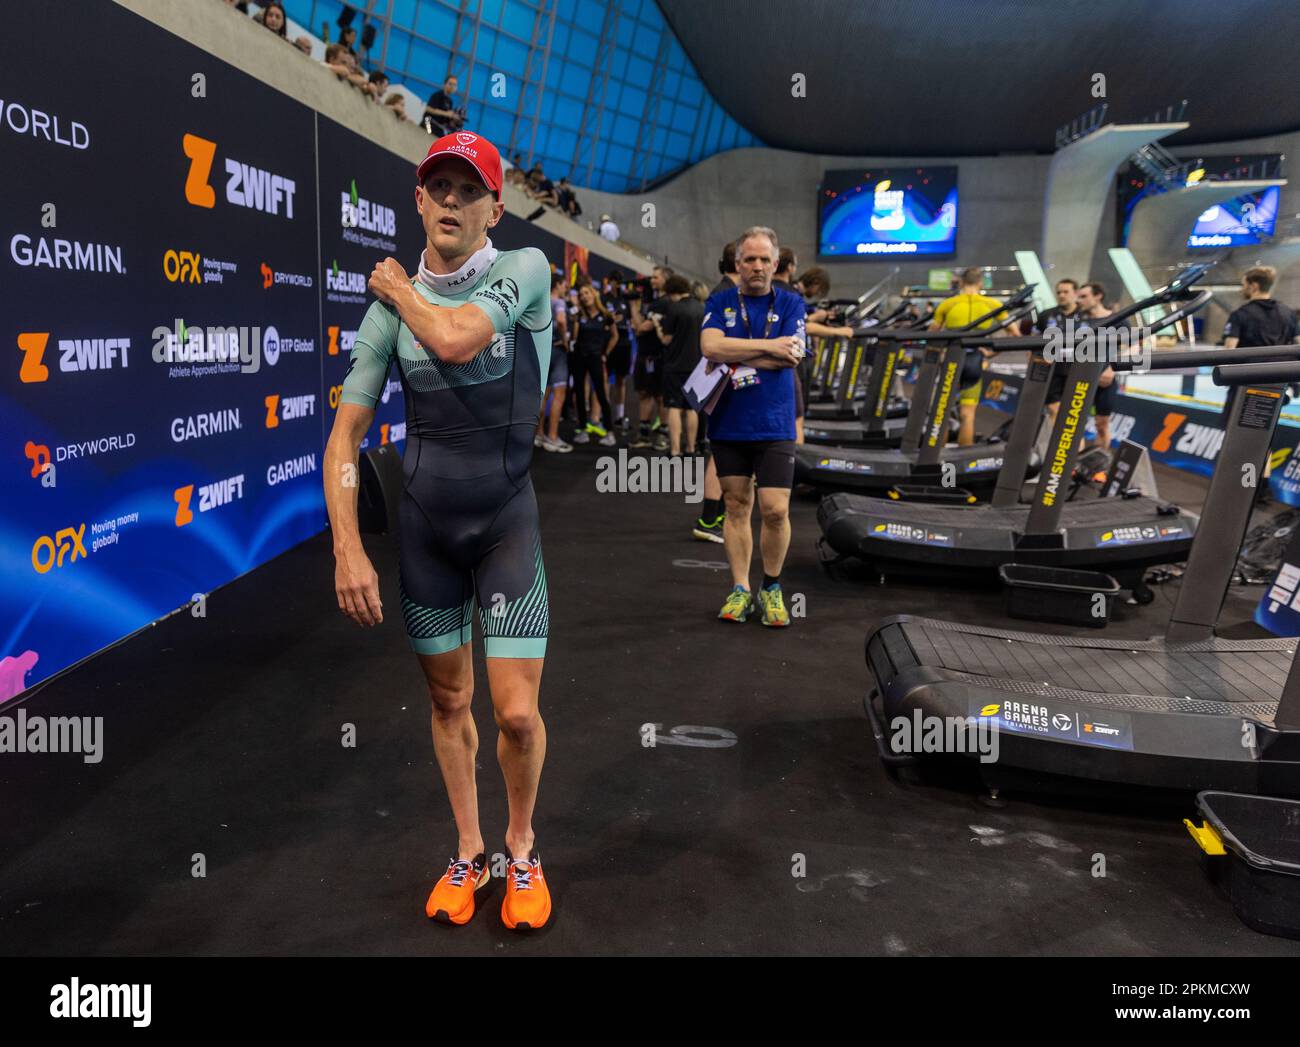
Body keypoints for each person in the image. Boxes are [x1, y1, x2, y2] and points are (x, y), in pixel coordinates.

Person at [323, 130, 554, 931]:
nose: (452, 201)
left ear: (494, 207)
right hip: (426, 531)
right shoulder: (390, 309)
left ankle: (523, 849)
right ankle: (471, 849)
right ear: (419, 199)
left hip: (504, 524)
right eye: (438, 188)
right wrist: (349, 545)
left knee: (516, 714)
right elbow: (343, 438)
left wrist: (399, 288)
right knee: (448, 700)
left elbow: (456, 336)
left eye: (469, 190)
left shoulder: (523, 269)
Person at [700, 227, 805, 627]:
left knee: (776, 510)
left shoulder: (793, 303)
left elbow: (791, 357)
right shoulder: (721, 299)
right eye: (749, 259)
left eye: (764, 260)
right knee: (736, 505)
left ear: (775, 264)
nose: (757, 266)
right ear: (738, 264)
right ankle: (741, 588)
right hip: (729, 421)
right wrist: (769, 346)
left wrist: (736, 352)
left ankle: (772, 587)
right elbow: (710, 348)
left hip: (775, 422)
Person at [928, 266, 1007, 446]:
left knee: (942, 412)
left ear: (961, 282)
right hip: (975, 359)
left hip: (952, 360)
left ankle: (933, 458)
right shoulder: (993, 305)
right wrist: (992, 353)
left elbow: (932, 336)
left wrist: (939, 354)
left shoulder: (947, 304)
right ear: (980, 283)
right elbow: (1015, 334)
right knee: (967, 415)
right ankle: (962, 462)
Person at [655, 274, 706, 455]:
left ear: (672, 292)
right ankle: (691, 448)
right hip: (696, 365)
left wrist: (657, 327)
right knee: (692, 407)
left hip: (675, 365)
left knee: (674, 407)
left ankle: (675, 450)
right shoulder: (701, 308)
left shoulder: (674, 309)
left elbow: (666, 340)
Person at [569, 284, 619, 447]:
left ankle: (609, 432)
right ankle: (583, 429)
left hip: (596, 358)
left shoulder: (606, 315)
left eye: (587, 293)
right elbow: (575, 337)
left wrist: (606, 353)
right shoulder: (579, 315)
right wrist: (575, 316)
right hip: (579, 357)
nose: (584, 296)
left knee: (601, 395)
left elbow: (614, 336)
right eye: (582, 294)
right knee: (580, 394)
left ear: (593, 294)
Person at [1074, 282, 1122, 450]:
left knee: (1101, 425)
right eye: (1078, 297)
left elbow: (1133, 346)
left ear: (1098, 296)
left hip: (1105, 381)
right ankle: (1071, 469)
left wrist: (1112, 368)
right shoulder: (1077, 322)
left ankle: (1097, 468)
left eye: (1084, 296)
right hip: (1080, 379)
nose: (1079, 300)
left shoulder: (1117, 319)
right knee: (1073, 427)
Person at [631, 266, 672, 450]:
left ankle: (662, 434)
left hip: (657, 356)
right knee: (645, 394)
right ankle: (646, 434)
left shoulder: (663, 303)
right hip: (647, 354)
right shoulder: (655, 302)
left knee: (659, 395)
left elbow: (640, 327)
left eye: (656, 277)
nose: (652, 280)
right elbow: (638, 325)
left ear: (665, 280)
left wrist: (633, 308)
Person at [1036, 278, 1081, 430]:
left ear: (1076, 293)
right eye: (1059, 292)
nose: (1061, 295)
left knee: (1073, 415)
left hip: (1078, 371)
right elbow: (1032, 343)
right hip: (1053, 371)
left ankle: (1073, 451)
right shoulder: (1045, 315)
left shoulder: (1087, 316)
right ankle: (1051, 449)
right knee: (1054, 410)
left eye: (1066, 292)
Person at [537, 271, 573, 453]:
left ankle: (539, 433)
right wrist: (566, 342)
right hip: (558, 351)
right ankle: (552, 437)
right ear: (557, 285)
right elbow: (561, 320)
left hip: (543, 351)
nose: (565, 288)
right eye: (564, 285)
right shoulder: (558, 302)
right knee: (559, 395)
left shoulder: (542, 300)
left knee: (544, 394)